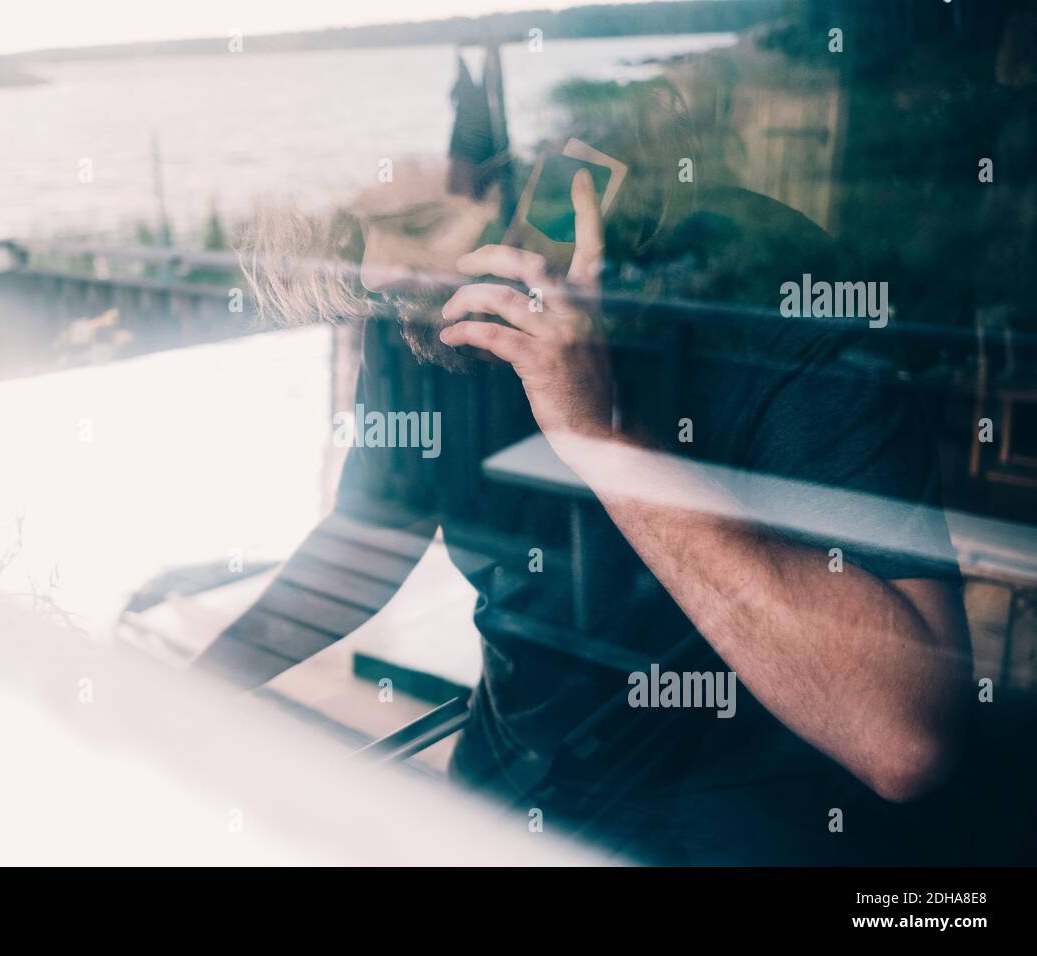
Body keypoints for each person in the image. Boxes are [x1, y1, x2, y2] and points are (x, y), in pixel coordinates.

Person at [195, 67, 972, 865]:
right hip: (507, 796)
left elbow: (903, 735)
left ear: (574, 181)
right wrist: (192, 691)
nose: (381, 275)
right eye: (353, 241)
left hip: (738, 825)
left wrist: (603, 438)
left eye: (420, 222)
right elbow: (371, 536)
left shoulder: (779, 296)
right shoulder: (427, 306)